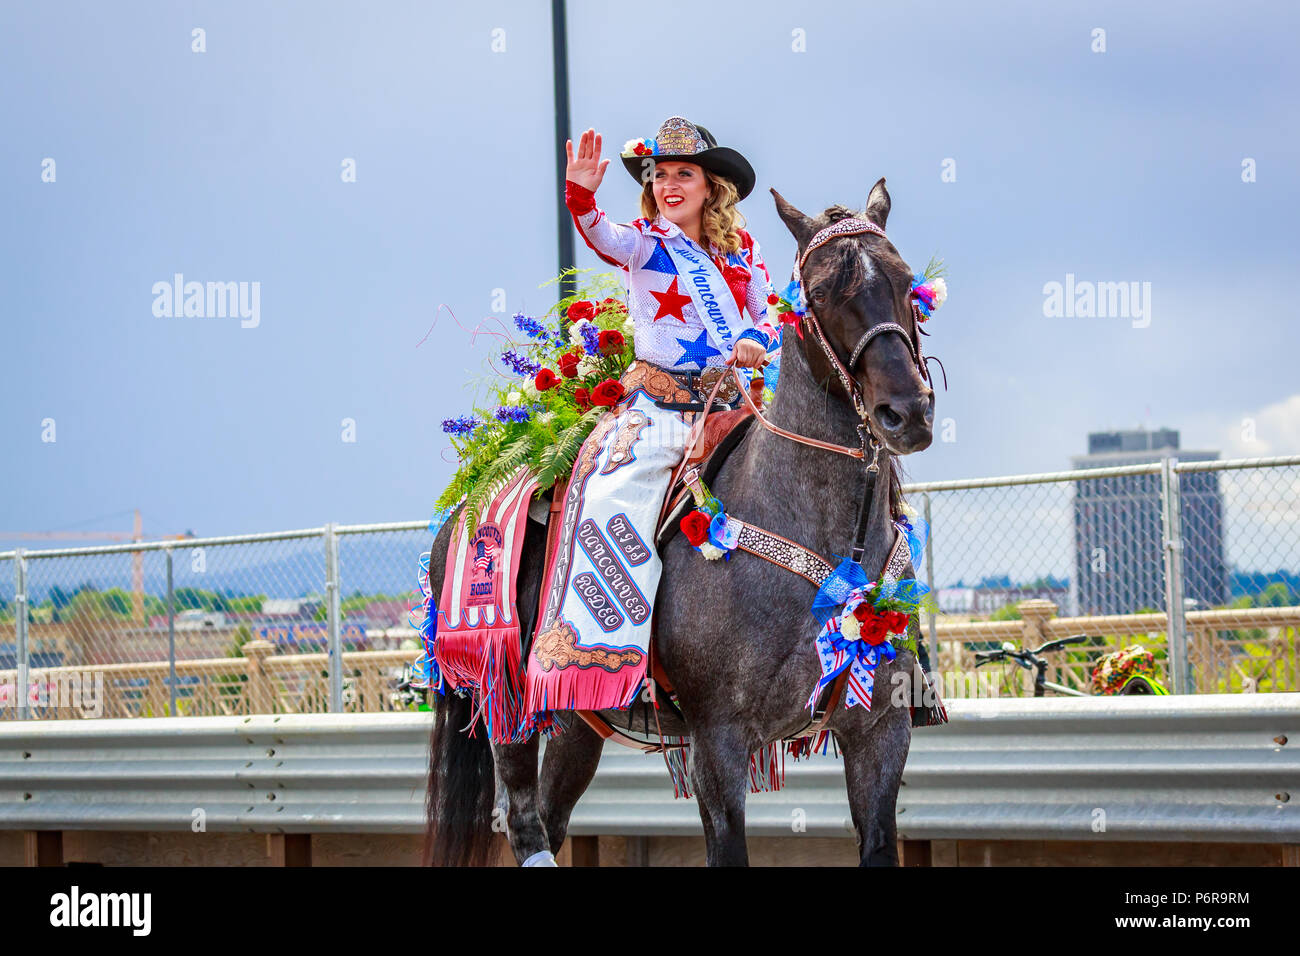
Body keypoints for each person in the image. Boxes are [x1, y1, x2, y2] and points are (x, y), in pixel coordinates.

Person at [524, 116, 779, 717]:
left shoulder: (745, 252)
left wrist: (754, 340)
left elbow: (771, 316)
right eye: (659, 175)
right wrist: (580, 195)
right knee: (613, 497)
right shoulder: (644, 240)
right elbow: (599, 234)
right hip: (659, 410)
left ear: (711, 185)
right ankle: (611, 658)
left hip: (731, 406)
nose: (669, 185)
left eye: (683, 174)